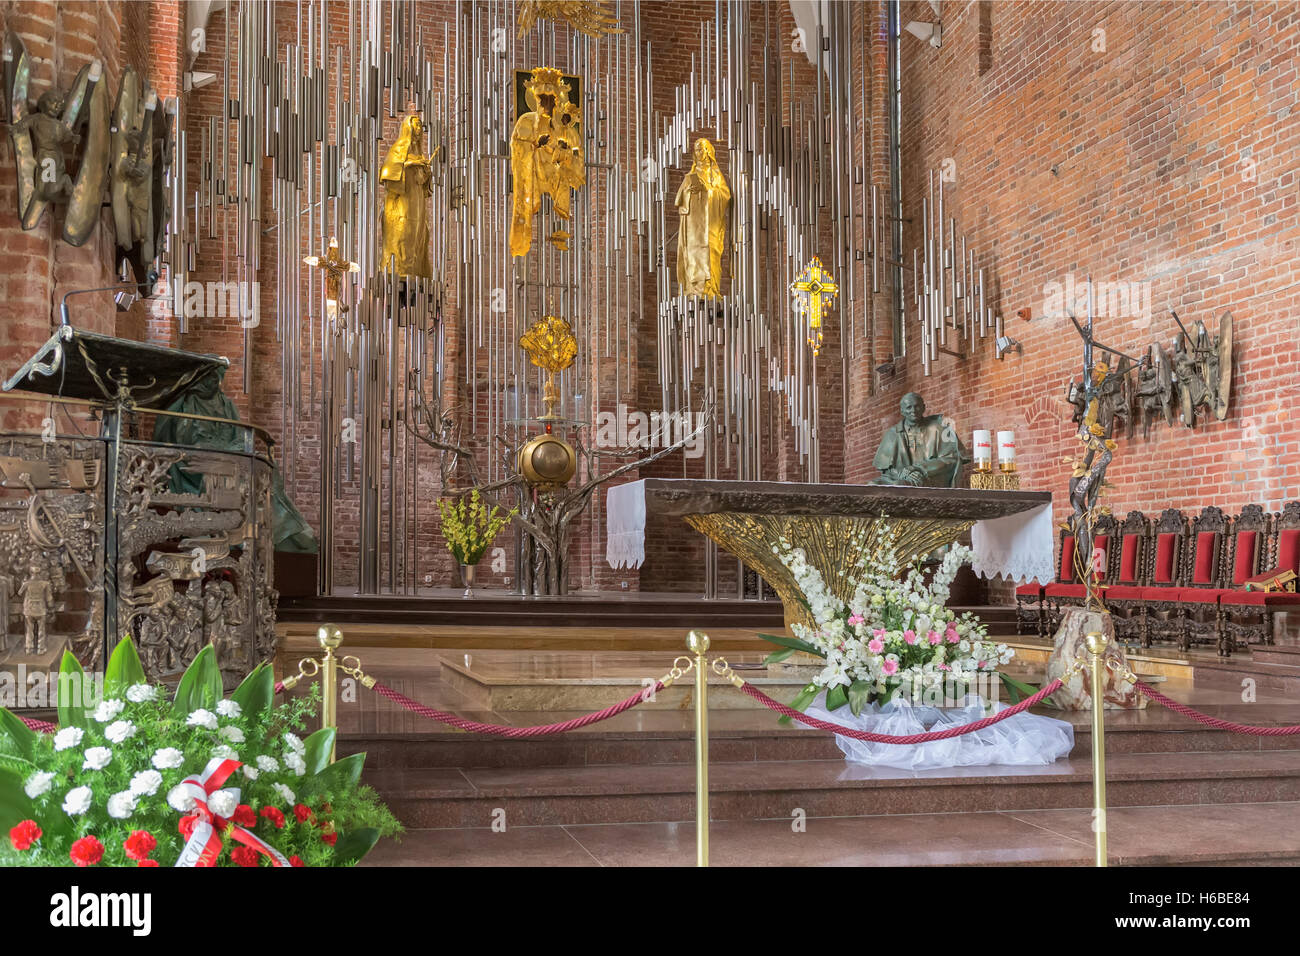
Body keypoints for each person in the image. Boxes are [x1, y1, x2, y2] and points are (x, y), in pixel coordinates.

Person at [153, 365, 318, 553]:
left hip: (226, 452)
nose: (212, 382)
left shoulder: (226, 403)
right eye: (208, 377)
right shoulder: (185, 403)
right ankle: (244, 528)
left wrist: (235, 449)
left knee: (259, 464)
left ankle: (276, 526)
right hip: (196, 458)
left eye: (215, 377)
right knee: (236, 470)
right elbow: (177, 439)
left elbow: (238, 436)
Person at [869, 392, 967, 487]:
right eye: (909, 407)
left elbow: (951, 459)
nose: (913, 410)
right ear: (902, 411)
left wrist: (919, 469)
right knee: (873, 485)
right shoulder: (893, 433)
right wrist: (905, 474)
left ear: (923, 408)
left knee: (900, 486)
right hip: (902, 477)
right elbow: (887, 469)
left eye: (917, 406)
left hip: (930, 476)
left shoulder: (940, 429)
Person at [675, 138, 731, 297]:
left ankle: (710, 289)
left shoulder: (715, 174)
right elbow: (679, 202)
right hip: (693, 224)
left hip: (710, 222)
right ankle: (693, 291)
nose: (699, 153)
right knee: (692, 254)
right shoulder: (690, 176)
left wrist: (708, 191)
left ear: (709, 151)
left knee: (711, 252)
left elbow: (725, 195)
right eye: (697, 150)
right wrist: (690, 192)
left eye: (702, 149)